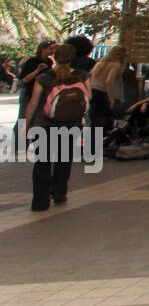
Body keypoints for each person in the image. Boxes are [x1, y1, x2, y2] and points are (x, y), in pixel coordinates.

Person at [25, 43, 87, 211]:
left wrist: (27, 124)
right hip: (72, 125)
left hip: (44, 125)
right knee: (64, 160)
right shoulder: (82, 76)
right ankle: (59, 193)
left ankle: (40, 202)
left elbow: (33, 103)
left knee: (43, 163)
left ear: (55, 56)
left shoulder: (44, 77)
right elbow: (87, 100)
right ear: (72, 57)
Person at [87, 46, 127, 133]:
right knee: (102, 117)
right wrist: (110, 97)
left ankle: (90, 141)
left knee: (94, 117)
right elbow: (109, 81)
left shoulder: (101, 62)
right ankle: (97, 141)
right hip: (103, 92)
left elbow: (90, 75)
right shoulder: (116, 64)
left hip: (93, 90)